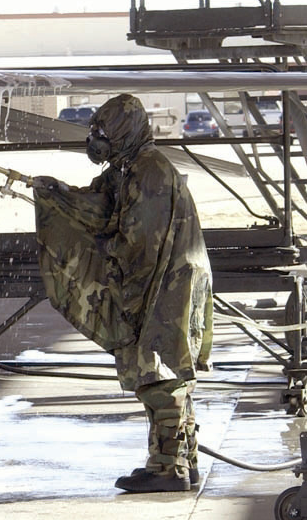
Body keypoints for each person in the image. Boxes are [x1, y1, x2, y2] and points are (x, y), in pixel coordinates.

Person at [33, 94, 213, 493]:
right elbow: (100, 204)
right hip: (165, 275)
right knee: (165, 369)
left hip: (167, 280)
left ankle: (167, 468)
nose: (96, 141)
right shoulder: (128, 167)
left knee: (159, 369)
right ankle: (182, 462)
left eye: (104, 132)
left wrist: (116, 273)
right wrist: (56, 194)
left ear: (125, 132)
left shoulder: (149, 171)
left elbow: (141, 241)